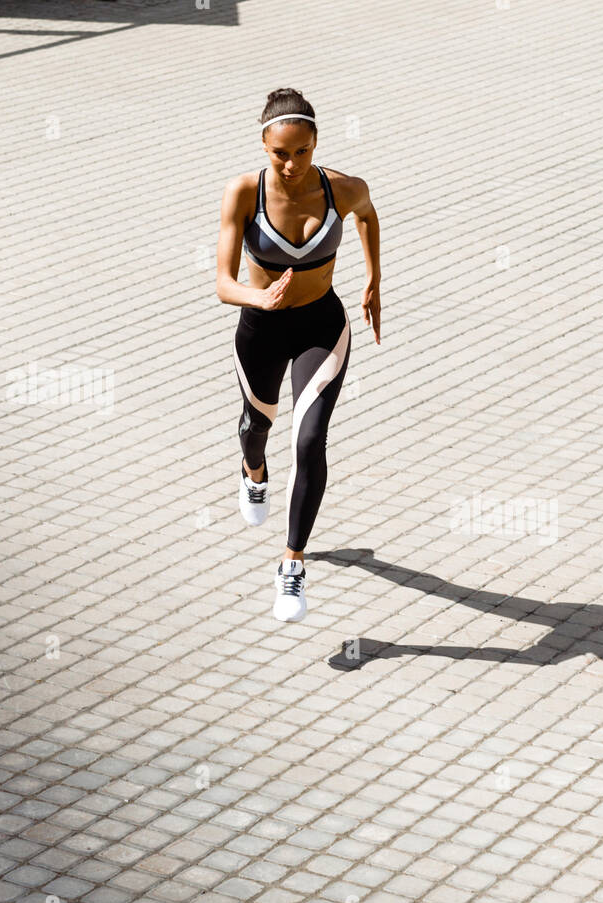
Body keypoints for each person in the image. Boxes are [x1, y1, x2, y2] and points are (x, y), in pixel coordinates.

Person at [215, 87, 381, 621]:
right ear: (264, 146)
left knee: (310, 440)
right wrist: (257, 296)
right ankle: (253, 472)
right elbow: (221, 282)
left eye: (301, 151)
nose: (290, 164)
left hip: (321, 325)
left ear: (315, 144)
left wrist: (374, 279)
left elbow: (368, 215)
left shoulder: (343, 188)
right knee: (254, 427)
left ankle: (292, 563)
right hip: (260, 328)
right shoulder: (244, 193)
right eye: (279, 153)